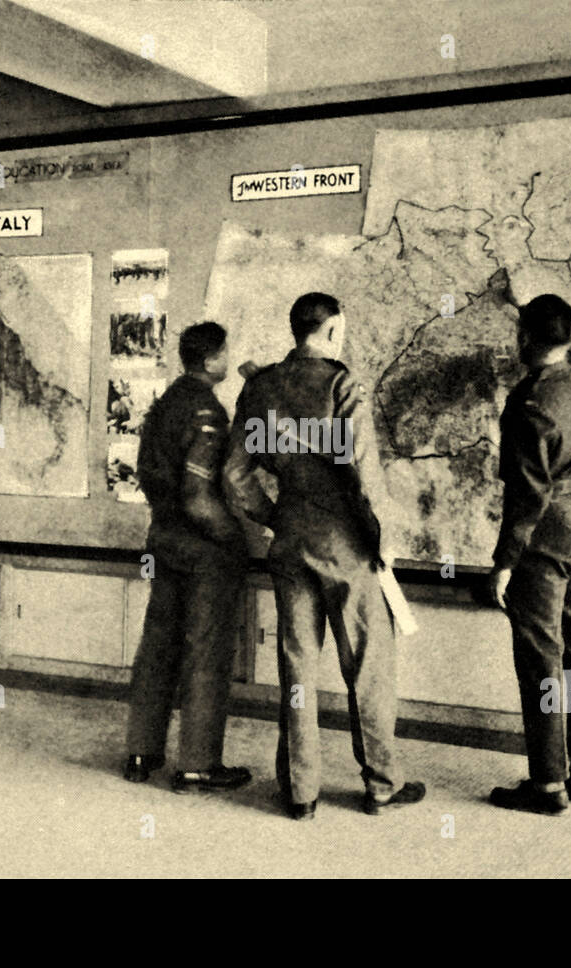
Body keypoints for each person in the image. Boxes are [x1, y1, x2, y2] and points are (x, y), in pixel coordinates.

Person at [224, 292, 425, 821]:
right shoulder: (340, 383)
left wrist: (272, 516)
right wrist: (381, 542)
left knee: (296, 664)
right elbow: (363, 473)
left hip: (289, 540)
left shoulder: (259, 387)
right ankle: (381, 784)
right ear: (333, 329)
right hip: (346, 544)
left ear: (297, 330)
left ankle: (300, 790)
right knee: (368, 665)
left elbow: (234, 475)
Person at [486, 293, 571, 815]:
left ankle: (546, 785)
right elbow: (565, 351)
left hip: (545, 532)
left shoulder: (529, 402)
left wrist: (505, 562)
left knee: (540, 658)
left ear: (524, 338)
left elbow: (529, 494)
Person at [123, 321, 253, 795]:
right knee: (206, 653)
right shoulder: (207, 412)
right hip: (202, 551)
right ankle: (197, 764)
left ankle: (141, 753)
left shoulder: (164, 404)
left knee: (157, 648)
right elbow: (199, 497)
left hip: (163, 541)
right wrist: (232, 539)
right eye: (225, 353)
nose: (227, 359)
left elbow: (147, 474)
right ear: (211, 360)